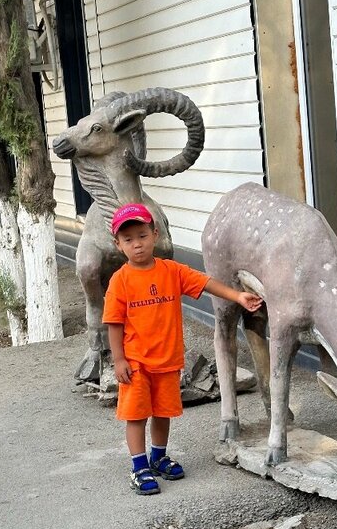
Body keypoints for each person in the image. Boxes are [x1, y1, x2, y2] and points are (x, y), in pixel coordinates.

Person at [102, 202, 263, 495]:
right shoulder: (120, 281)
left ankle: (158, 456)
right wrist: (119, 359)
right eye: (128, 240)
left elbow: (205, 282)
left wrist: (238, 296)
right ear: (118, 245)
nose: (137, 244)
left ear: (155, 233)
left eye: (142, 235)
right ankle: (139, 467)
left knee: (162, 412)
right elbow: (113, 322)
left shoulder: (171, 271)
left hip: (167, 360)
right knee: (136, 415)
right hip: (136, 363)